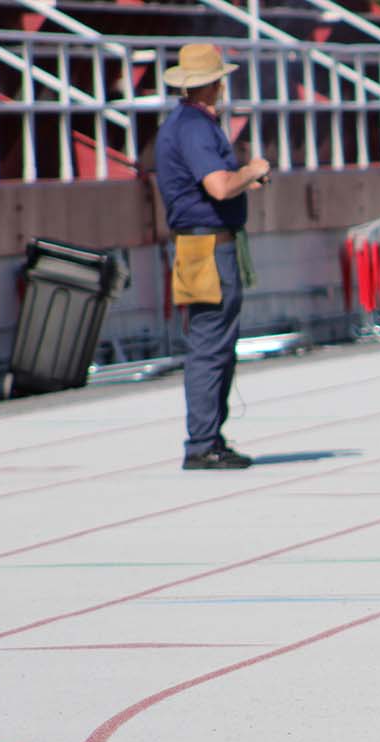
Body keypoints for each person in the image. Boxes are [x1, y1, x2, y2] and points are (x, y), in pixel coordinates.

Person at [155, 43, 269, 469]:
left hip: (201, 244)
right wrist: (252, 171)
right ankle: (202, 443)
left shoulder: (183, 123)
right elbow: (219, 186)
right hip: (207, 248)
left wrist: (243, 179)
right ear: (215, 84)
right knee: (210, 346)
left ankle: (208, 438)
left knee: (216, 343)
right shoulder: (195, 127)